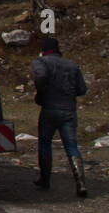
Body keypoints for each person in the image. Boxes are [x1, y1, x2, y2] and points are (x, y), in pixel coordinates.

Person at [31, 37, 89, 197]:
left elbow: (40, 76)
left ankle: (44, 179)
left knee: (45, 143)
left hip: (49, 109)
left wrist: (41, 94)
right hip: (69, 110)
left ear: (44, 50)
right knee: (71, 146)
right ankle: (81, 183)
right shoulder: (72, 65)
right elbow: (82, 89)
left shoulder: (40, 62)